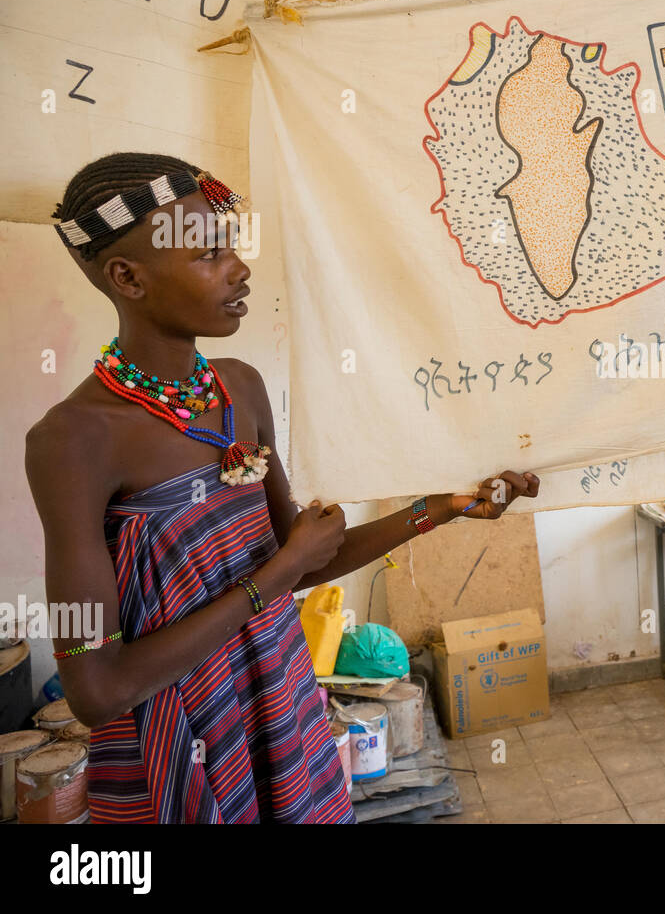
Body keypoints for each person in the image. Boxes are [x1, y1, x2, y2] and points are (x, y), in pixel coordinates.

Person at [25, 152, 541, 823]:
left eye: (230, 248)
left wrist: (440, 509)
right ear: (128, 277)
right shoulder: (71, 441)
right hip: (180, 750)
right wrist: (282, 569)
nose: (239, 268)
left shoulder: (241, 388)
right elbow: (96, 687)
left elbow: (303, 556)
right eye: (209, 254)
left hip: (281, 709)